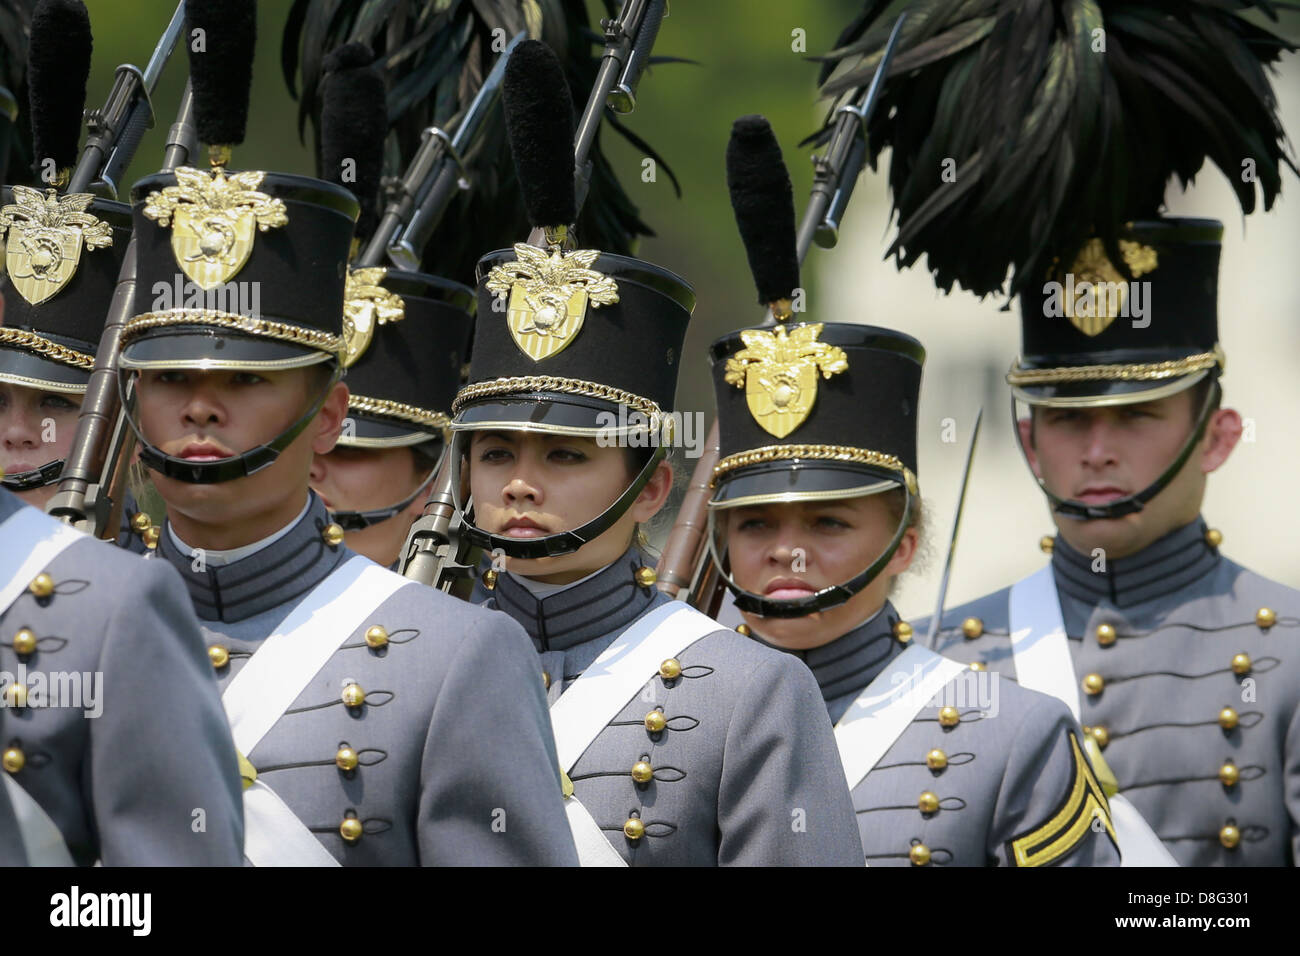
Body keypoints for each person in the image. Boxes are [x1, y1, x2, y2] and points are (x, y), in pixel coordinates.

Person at [447, 42, 862, 866]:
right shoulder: (420, 654)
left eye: (566, 457)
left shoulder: (756, 695)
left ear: (651, 486)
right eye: (495, 454)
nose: (520, 485)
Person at [114, 150, 578, 865]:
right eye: (170, 376)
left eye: (243, 380)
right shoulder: (60, 625)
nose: (201, 405)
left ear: (327, 417)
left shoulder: (462, 656)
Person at [699, 115, 1117, 866]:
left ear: (905, 542)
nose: (787, 551)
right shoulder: (663, 720)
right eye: (756, 525)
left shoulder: (1014, 736)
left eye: (829, 523)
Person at [0, 215, 243, 866]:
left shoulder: (166, 602)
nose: (21, 434)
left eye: (55, 403)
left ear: (123, 424)